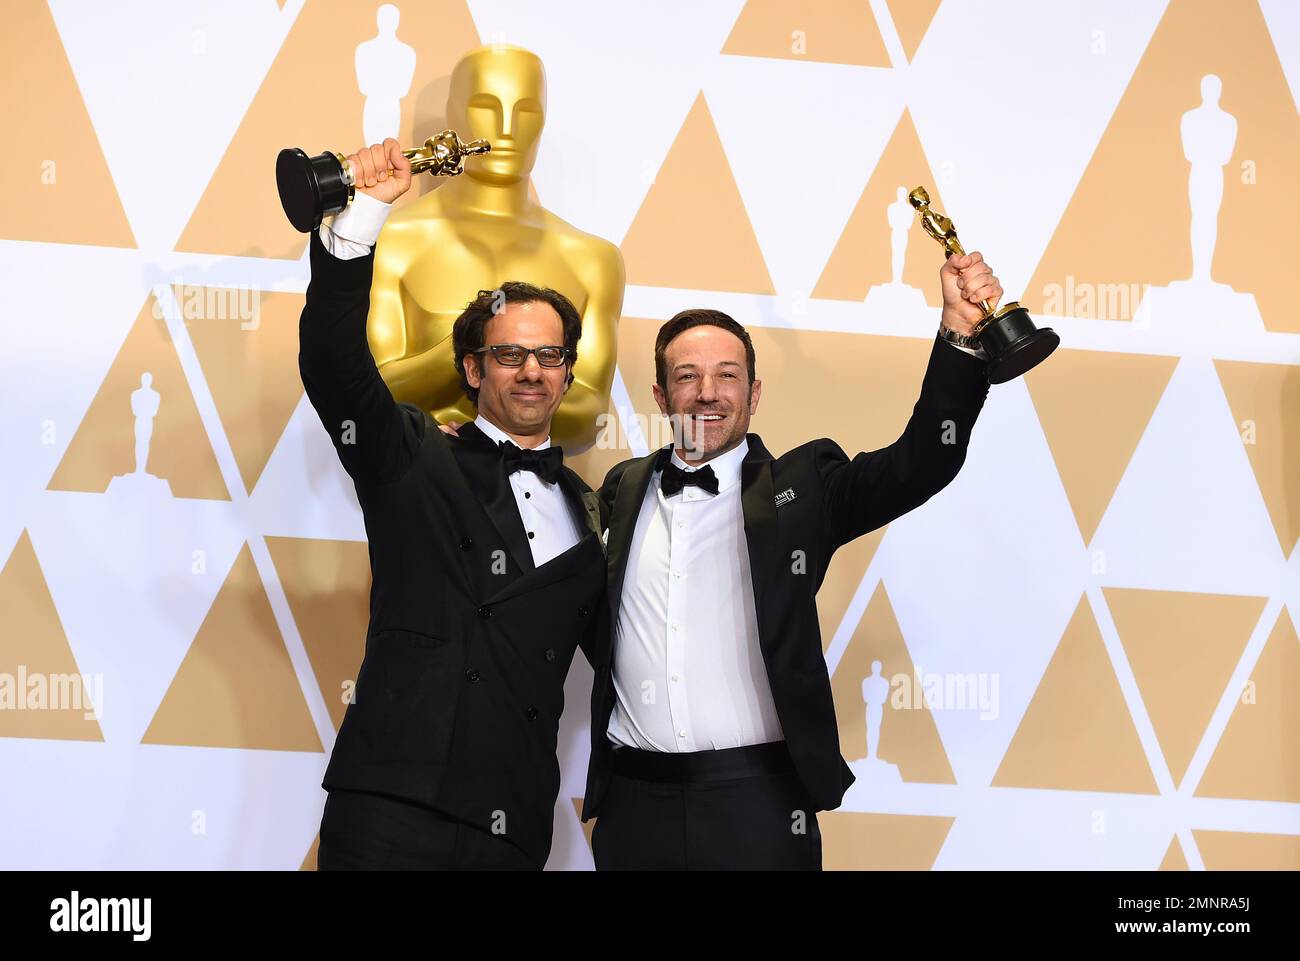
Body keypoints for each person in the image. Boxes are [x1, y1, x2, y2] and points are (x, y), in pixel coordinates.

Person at [582, 252, 1000, 869]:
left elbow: (921, 461)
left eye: (727, 376)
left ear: (753, 393)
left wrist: (960, 337)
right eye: (687, 376)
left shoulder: (803, 488)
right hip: (634, 808)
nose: (707, 393)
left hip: (761, 804)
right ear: (659, 394)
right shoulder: (621, 489)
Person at [300, 139, 606, 870]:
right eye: (509, 354)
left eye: (550, 355)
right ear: (472, 368)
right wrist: (364, 219)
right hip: (386, 809)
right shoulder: (412, 454)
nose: (532, 369)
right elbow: (335, 364)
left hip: (509, 830)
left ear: (566, 374)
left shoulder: (596, 514)